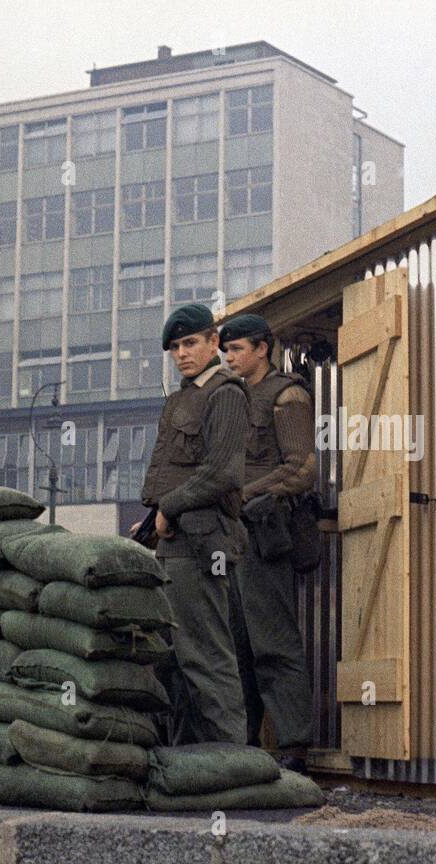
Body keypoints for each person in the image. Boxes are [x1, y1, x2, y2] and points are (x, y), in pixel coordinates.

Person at [138, 303, 250, 745]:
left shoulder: (225, 393)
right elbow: (177, 470)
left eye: (191, 343)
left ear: (214, 343)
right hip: (175, 539)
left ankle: (231, 760)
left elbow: (223, 472)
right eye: (175, 348)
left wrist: (168, 508)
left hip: (204, 542)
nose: (182, 353)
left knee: (206, 655)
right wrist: (153, 519)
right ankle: (190, 762)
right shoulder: (183, 397)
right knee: (173, 659)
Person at [219, 313, 316, 771]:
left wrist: (248, 495)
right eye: (226, 350)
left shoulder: (286, 395)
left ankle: (295, 746)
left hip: (265, 532)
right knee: (235, 646)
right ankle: (244, 747)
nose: (230, 357)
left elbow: (301, 469)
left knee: (273, 643)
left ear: (262, 348)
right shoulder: (233, 400)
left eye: (237, 349)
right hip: (233, 538)